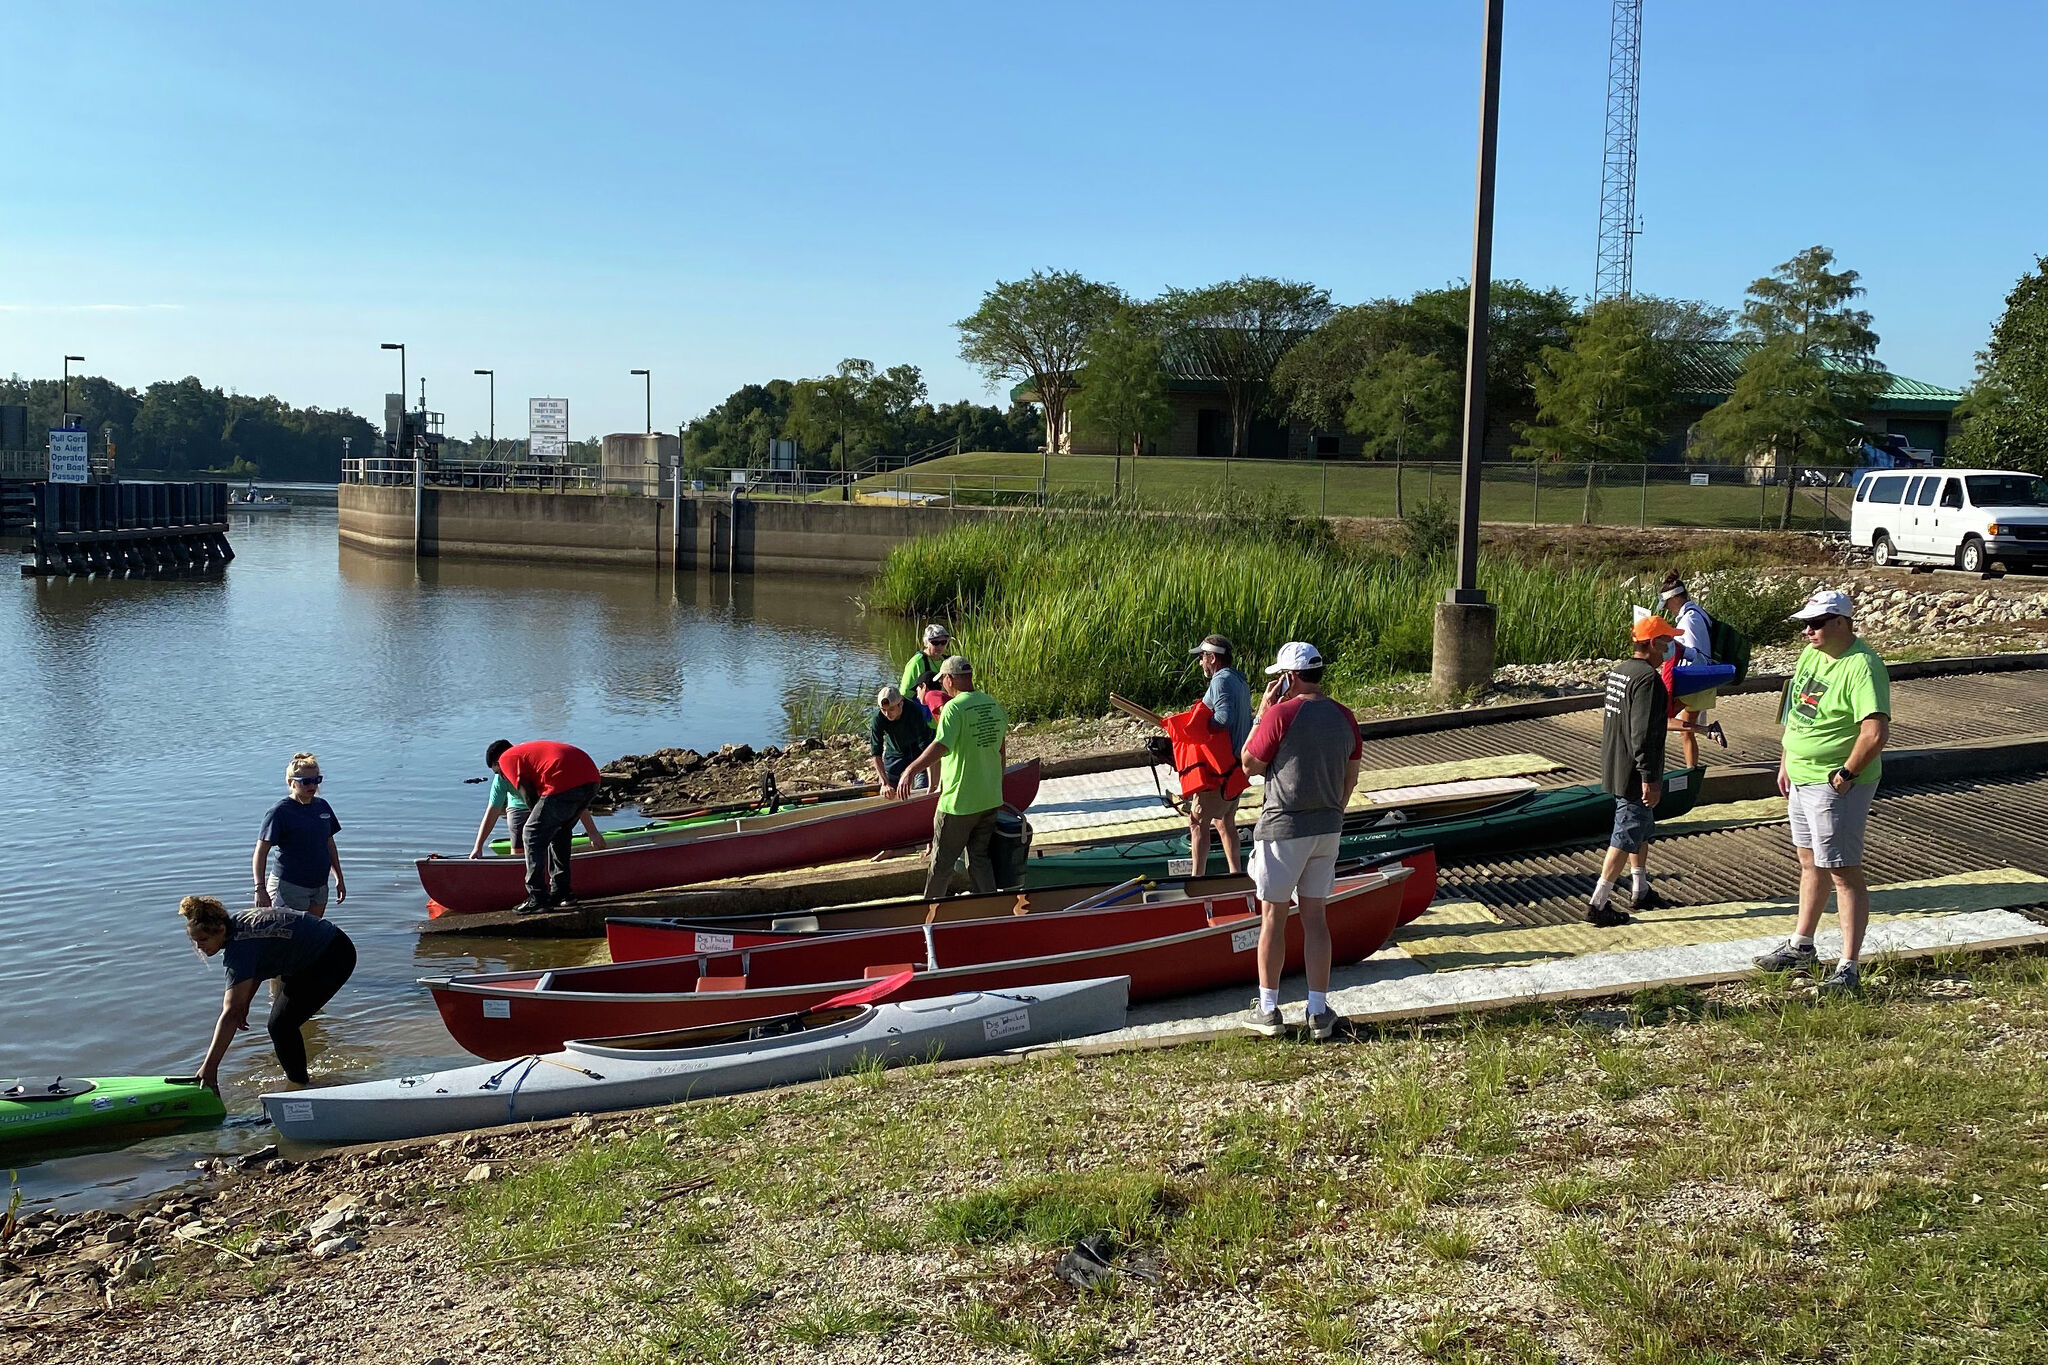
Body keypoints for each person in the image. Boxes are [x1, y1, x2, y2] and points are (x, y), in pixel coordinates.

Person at [1754, 589, 1891, 993]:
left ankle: (1849, 967)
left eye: (1815, 624)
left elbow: (1875, 732)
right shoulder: (1811, 656)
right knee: (1809, 861)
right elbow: (1795, 711)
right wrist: (1785, 760)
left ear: (1841, 622)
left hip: (1835, 784)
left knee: (1843, 872)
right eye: (1804, 625)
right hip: (1800, 775)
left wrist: (1846, 774)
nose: (1807, 632)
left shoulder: (1863, 667)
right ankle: (1802, 944)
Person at [1238, 642, 1361, 1042]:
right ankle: (1318, 1010)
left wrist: (1261, 713)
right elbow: (1351, 778)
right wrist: (1334, 812)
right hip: (1328, 827)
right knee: (1315, 918)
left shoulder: (1280, 714)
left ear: (1290, 677)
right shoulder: (1346, 717)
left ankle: (1269, 1009)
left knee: (1273, 917)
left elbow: (1249, 764)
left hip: (1284, 828)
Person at [180, 895, 356, 1088]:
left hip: (332, 955)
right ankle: (301, 1078)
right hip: (311, 954)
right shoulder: (237, 924)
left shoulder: (239, 947)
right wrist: (244, 1003)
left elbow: (230, 1013)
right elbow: (259, 964)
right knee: (283, 1022)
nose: (199, 946)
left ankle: (300, 1086)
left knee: (281, 1026)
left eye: (203, 939)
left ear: (220, 930)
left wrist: (210, 1067)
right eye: (195, 941)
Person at [894, 656, 1009, 901]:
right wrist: (997, 787)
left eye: (943, 681)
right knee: (980, 859)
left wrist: (910, 770)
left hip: (959, 802)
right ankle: (990, 910)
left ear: (949, 678)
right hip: (989, 798)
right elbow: (1001, 751)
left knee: (942, 862)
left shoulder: (954, 708)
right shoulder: (992, 705)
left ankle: (930, 912)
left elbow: (940, 746)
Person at [1589, 615, 1678, 926]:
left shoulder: (1620, 671)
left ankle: (1640, 888)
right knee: (1625, 833)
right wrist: (1649, 777)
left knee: (1641, 827)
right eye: (1666, 641)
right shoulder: (1649, 681)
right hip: (1634, 773)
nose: (1670, 646)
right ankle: (1598, 903)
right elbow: (1642, 734)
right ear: (1653, 643)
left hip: (1614, 763)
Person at [488, 738, 605, 913]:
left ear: (497, 762)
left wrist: (539, 826)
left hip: (563, 780)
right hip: (591, 777)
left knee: (530, 832)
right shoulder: (525, 753)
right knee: (561, 831)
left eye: (498, 773)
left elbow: (527, 795)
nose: (502, 776)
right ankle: (562, 893)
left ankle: (537, 897)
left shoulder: (506, 759)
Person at [1185, 635, 1253, 875]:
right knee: (1224, 821)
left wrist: (1197, 727)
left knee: (1196, 821)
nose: (1201, 662)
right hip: (1236, 766)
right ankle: (1235, 874)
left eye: (1202, 657)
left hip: (1220, 768)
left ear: (1213, 658)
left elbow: (1224, 718)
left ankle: (1197, 878)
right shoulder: (1239, 680)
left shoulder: (1220, 681)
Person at [253, 753, 344, 914]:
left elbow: (329, 844)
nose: (312, 785)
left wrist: (339, 878)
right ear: (291, 782)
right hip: (289, 885)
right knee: (286, 935)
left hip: (319, 885)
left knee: (311, 934)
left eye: (317, 780)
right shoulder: (279, 811)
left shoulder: (322, 806)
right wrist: (259, 888)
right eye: (306, 782)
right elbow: (261, 852)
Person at [468, 763, 605, 860]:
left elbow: (572, 800)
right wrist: (478, 846)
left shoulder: (536, 769)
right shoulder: (500, 779)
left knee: (555, 838)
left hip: (544, 803)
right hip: (518, 809)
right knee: (521, 845)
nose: (502, 775)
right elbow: (492, 812)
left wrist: (592, 832)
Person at [1659, 573, 1727, 765]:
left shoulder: (1689, 620)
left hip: (1696, 681)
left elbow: (1696, 654)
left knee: (1668, 721)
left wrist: (1671, 645)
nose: (1667, 610)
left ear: (1674, 598)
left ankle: (1707, 734)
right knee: (1681, 728)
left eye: (1667, 605)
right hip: (1700, 681)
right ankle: (1692, 768)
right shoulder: (1695, 613)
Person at [868, 684, 935, 794]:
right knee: (889, 792)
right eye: (883, 710)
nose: (887, 714)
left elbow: (926, 747)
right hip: (895, 756)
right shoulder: (878, 717)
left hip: (917, 755)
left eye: (891, 709)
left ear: (901, 703)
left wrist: (932, 786)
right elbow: (876, 752)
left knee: (921, 789)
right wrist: (885, 784)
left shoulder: (914, 711)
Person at [900, 624, 952, 716]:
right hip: (922, 718)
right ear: (926, 643)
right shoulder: (917, 662)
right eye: (935, 642)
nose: (939, 646)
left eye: (943, 642)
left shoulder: (947, 661)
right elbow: (905, 693)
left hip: (941, 715)